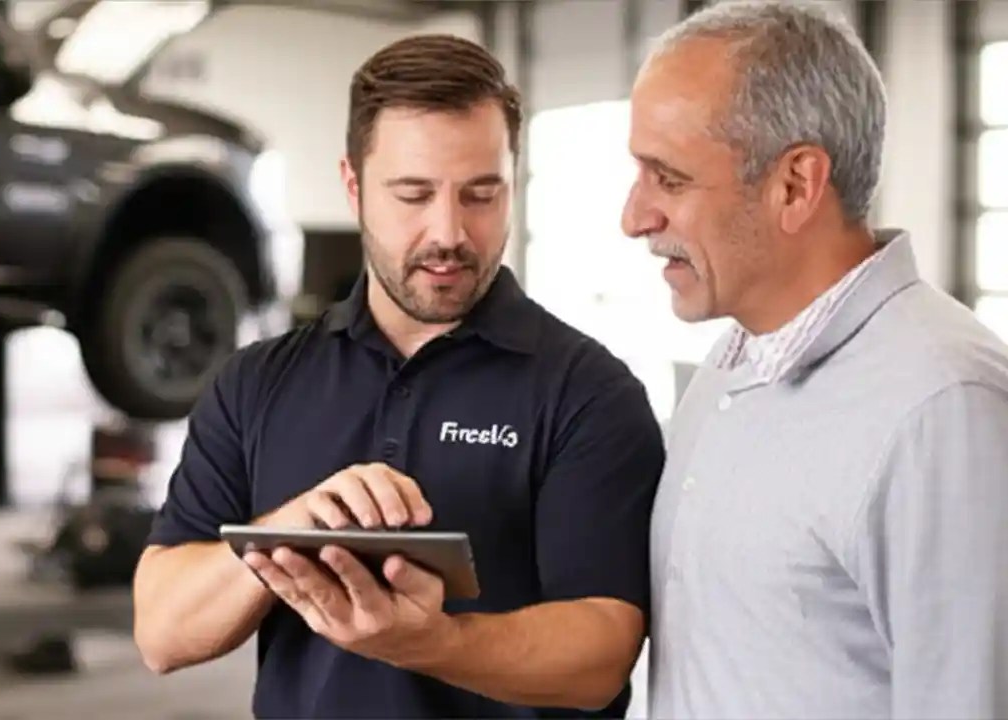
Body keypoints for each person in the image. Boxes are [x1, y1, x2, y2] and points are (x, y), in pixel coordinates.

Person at [132, 33, 666, 719]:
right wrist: (292, 530)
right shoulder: (257, 383)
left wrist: (430, 642)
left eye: (481, 194)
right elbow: (162, 633)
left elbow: (601, 657)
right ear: (353, 186)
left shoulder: (588, 395)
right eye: (413, 194)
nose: (449, 232)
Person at [622, 2, 1008, 717]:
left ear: (796, 185)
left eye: (668, 179)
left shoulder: (945, 407)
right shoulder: (729, 366)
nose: (634, 216)